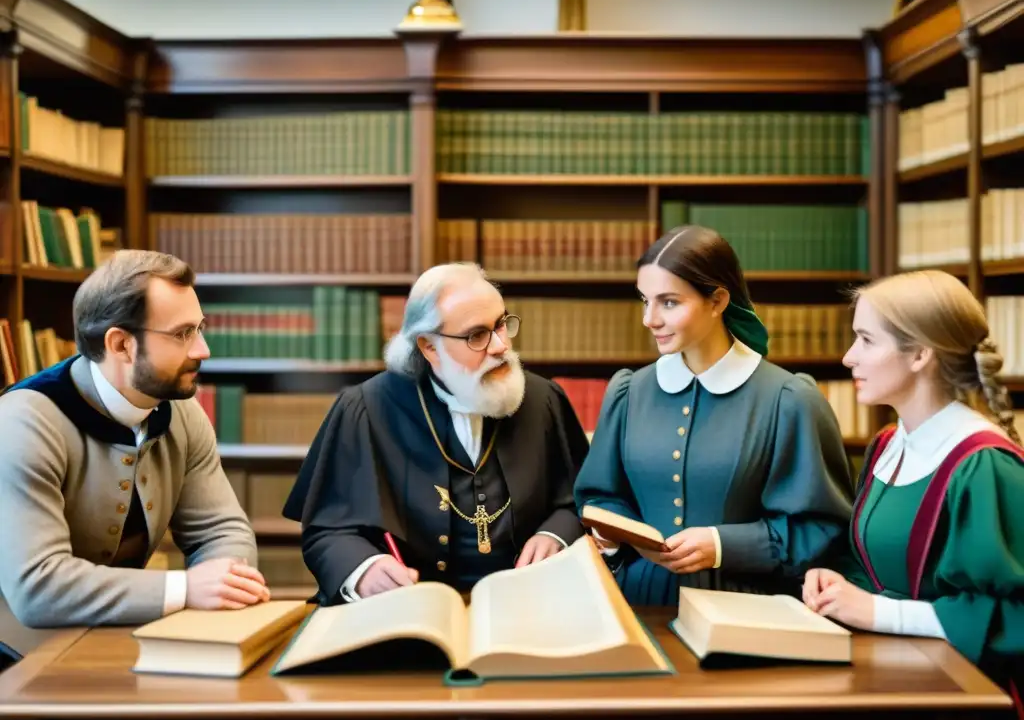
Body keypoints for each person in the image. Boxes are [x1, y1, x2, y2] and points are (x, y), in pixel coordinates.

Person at [802, 270, 1024, 720]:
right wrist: (840, 584)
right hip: (893, 684)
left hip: (968, 710)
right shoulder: (887, 445)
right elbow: (877, 563)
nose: (848, 357)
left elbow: (1011, 615)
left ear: (920, 354)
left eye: (865, 340)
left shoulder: (983, 464)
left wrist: (878, 611)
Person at [574, 225, 854, 607]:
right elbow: (601, 496)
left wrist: (723, 545)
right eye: (645, 300)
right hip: (636, 604)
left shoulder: (788, 400)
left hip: (744, 611)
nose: (649, 319)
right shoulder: (628, 392)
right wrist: (614, 536)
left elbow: (821, 528)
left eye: (669, 302)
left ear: (718, 300)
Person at [282, 262, 588, 602]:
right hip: (409, 615)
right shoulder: (367, 410)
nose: (500, 345)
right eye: (477, 335)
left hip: (529, 606)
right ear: (429, 347)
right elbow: (326, 531)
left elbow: (583, 502)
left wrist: (557, 534)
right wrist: (364, 568)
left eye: (501, 324)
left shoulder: (542, 400)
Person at [0, 251, 267, 632]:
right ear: (121, 344)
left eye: (200, 328)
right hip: (17, 653)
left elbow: (221, 532)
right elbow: (39, 586)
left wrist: (227, 588)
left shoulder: (182, 413)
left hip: (121, 636)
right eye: (182, 334)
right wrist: (186, 588)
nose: (202, 350)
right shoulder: (22, 423)